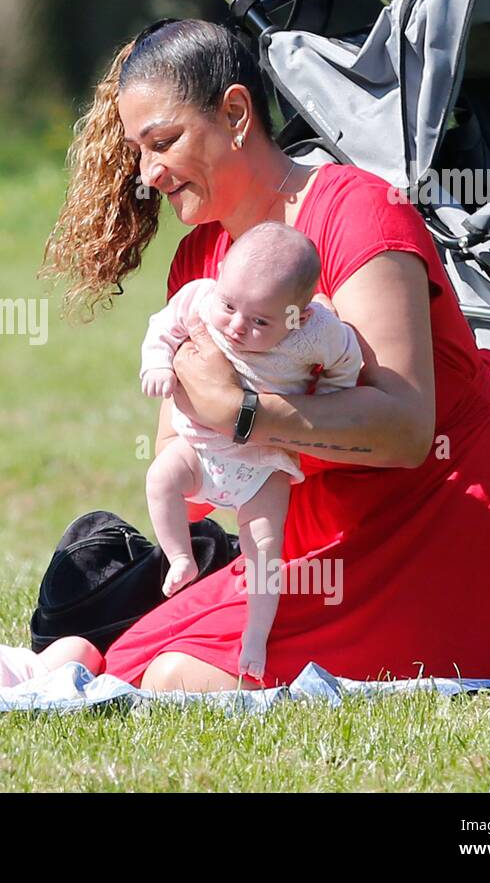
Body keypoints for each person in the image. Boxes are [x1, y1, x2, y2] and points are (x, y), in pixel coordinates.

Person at [41, 18, 490, 691]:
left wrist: (244, 412)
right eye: (138, 151)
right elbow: (197, 472)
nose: (148, 173)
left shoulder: (360, 209)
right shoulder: (198, 262)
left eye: (164, 142)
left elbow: (407, 430)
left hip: (443, 512)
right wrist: (184, 490)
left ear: (236, 112)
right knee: (117, 662)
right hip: (316, 534)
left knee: (176, 676)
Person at [140, 221, 362, 680]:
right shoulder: (202, 297)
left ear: (297, 316)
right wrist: (158, 363)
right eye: (230, 306)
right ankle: (180, 555)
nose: (238, 326)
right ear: (220, 277)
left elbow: (349, 359)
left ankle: (256, 636)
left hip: (263, 463)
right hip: (199, 445)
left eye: (261, 321)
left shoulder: (317, 332)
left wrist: (328, 397)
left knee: (265, 546)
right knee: (161, 477)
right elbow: (162, 326)